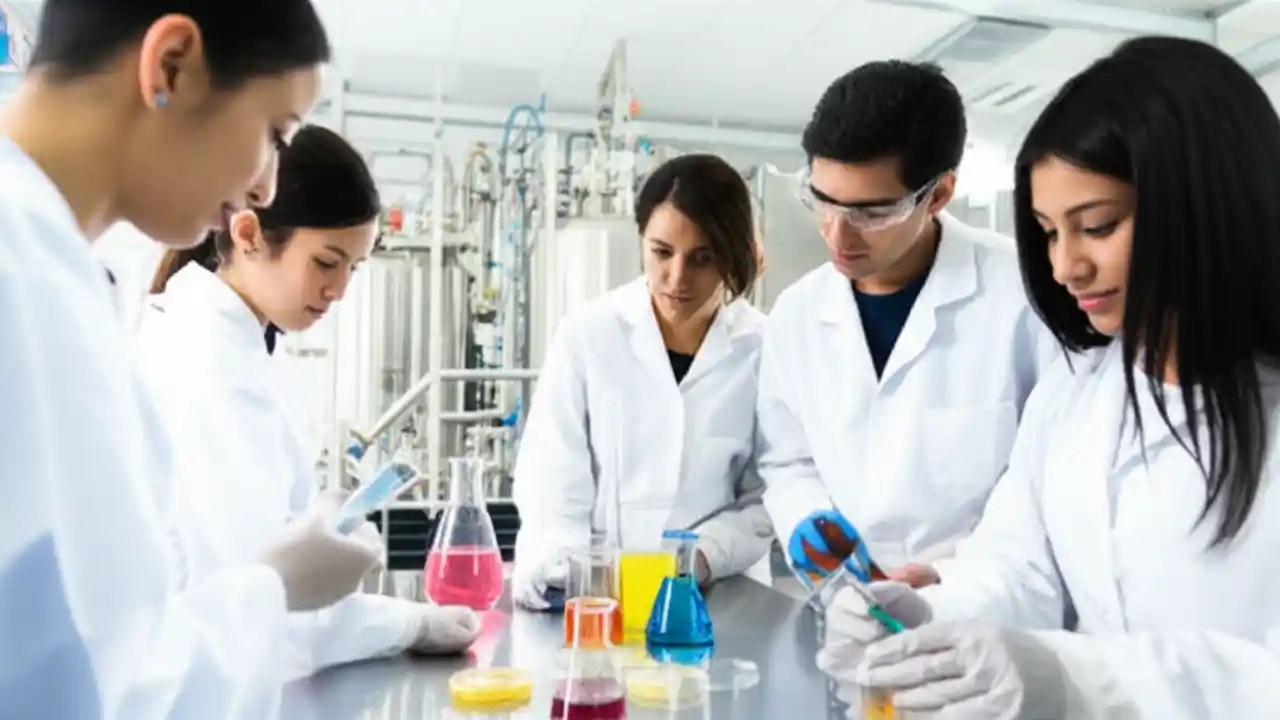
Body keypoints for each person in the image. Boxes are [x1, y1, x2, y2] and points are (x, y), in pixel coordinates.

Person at [817, 37, 1280, 719]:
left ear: (1208, 204)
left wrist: (1078, 677)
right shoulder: (1077, 397)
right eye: (1048, 232)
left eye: (1097, 226)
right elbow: (1019, 567)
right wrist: (928, 615)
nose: (1066, 269)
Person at [0, 3, 387, 717]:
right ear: (171, 64)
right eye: (274, 134)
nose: (267, 187)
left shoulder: (58, 277)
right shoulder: (19, 275)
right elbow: (111, 688)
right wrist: (271, 591)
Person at [133, 125, 481, 677]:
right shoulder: (206, 368)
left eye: (353, 267)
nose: (340, 289)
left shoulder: (245, 347)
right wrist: (407, 625)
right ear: (248, 233)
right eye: (326, 262)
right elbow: (260, 609)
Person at [757, 61, 1056, 573]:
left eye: (871, 214)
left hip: (986, 606)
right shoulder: (797, 314)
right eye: (823, 202)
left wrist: (950, 575)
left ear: (938, 195)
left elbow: (1052, 481)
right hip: (848, 604)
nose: (837, 235)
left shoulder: (1025, 300)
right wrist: (809, 523)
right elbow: (788, 461)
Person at [511, 153, 773, 609]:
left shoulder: (764, 348)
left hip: (717, 599)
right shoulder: (589, 334)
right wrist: (572, 571)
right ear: (641, 240)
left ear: (732, 254)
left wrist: (697, 558)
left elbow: (768, 494)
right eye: (661, 252)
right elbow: (552, 478)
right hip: (596, 601)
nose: (676, 278)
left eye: (702, 258)